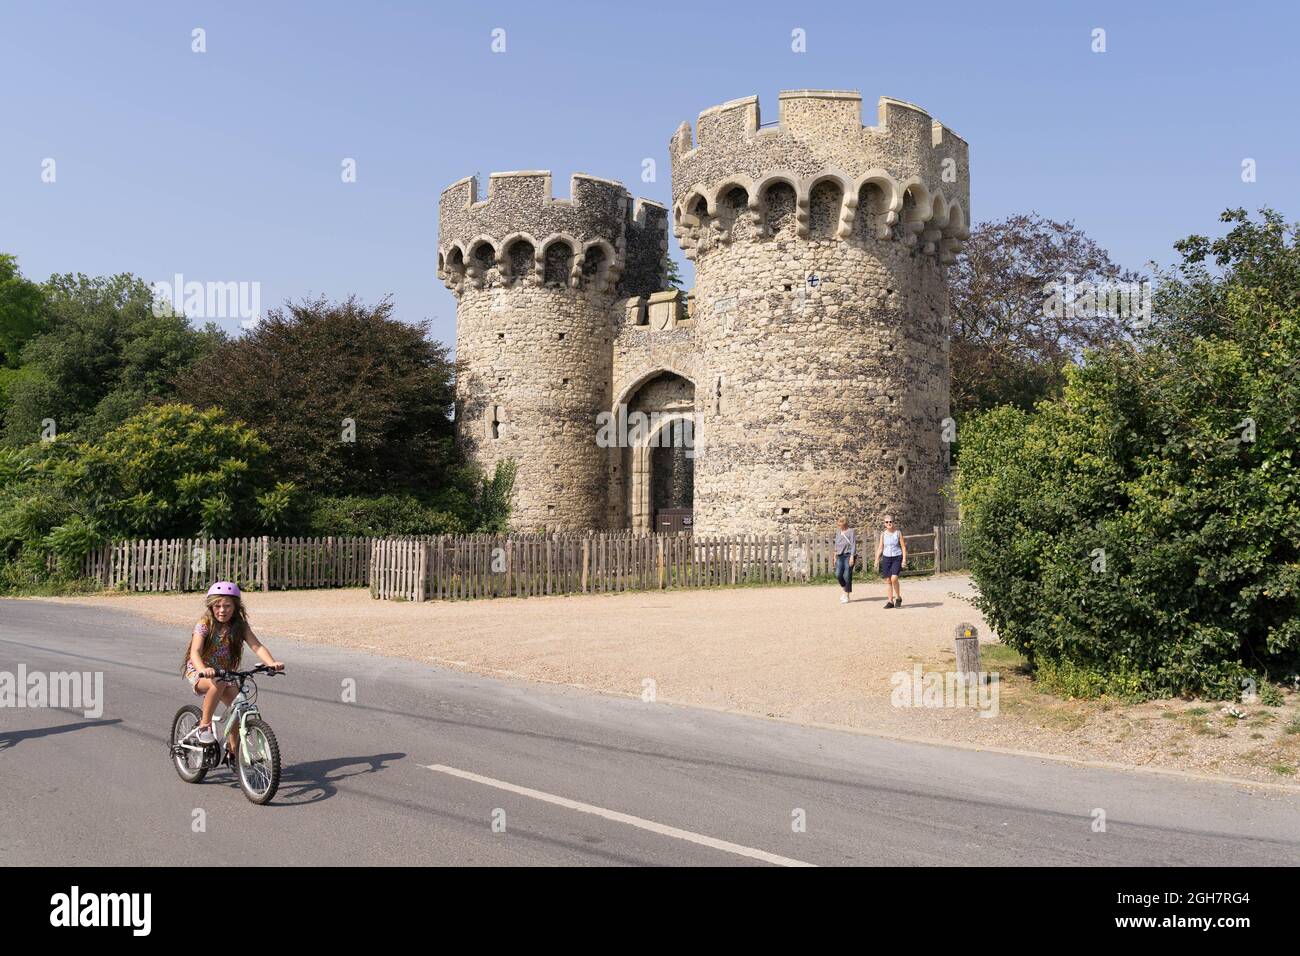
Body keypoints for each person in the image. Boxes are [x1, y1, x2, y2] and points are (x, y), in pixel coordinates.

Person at [181, 581, 283, 761]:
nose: (222, 610)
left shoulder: (240, 626)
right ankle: (204, 727)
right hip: (200, 671)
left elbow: (257, 646)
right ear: (211, 606)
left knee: (239, 705)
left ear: (236, 607)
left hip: (224, 672)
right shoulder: (204, 624)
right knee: (217, 684)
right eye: (217, 606)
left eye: (227, 606)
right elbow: (195, 652)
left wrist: (271, 662)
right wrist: (204, 670)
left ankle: (233, 751)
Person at [874, 514, 907, 608]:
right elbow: (880, 547)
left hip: (897, 557)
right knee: (888, 580)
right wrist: (877, 559)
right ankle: (890, 601)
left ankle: (898, 597)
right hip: (886, 558)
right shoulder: (883, 534)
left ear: (893, 522)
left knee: (894, 578)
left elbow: (903, 547)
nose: (889, 523)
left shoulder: (898, 533)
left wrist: (904, 559)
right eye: (887, 522)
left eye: (890, 522)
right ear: (884, 524)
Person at [834, 517, 857, 603]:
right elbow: (836, 543)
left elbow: (853, 544)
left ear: (844, 523)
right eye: (838, 523)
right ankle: (845, 590)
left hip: (848, 555)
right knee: (838, 574)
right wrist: (834, 555)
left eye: (840, 523)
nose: (838, 525)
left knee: (847, 575)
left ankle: (847, 595)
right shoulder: (838, 531)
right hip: (840, 555)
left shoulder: (851, 531)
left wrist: (852, 556)